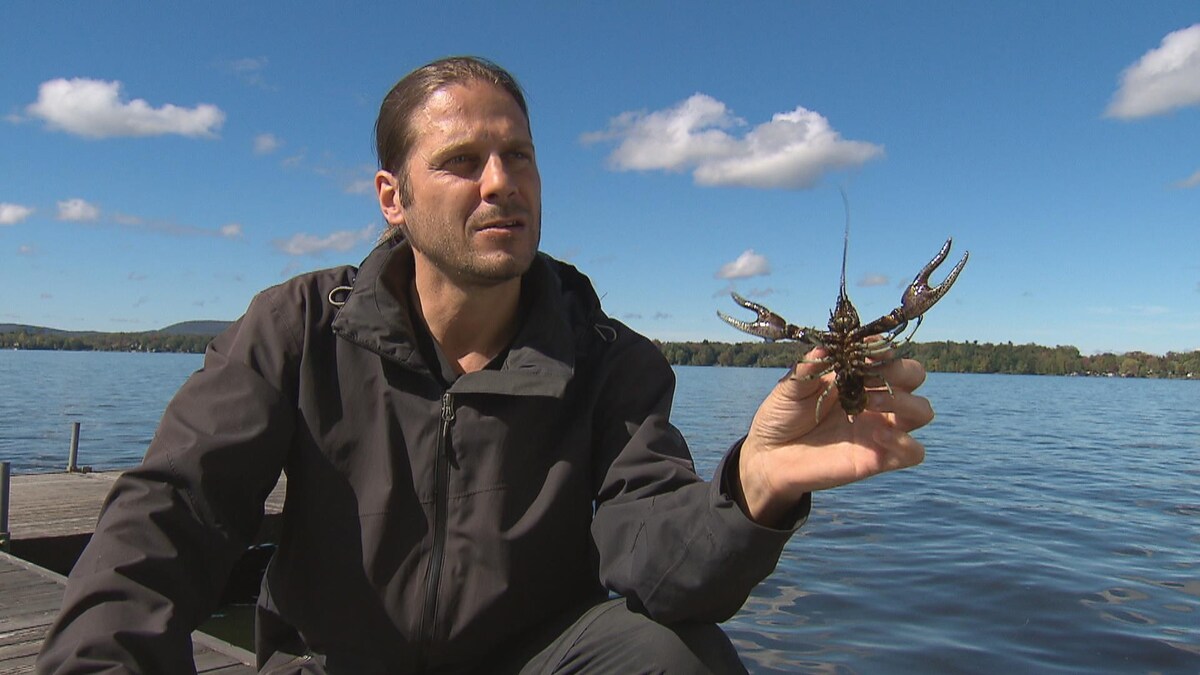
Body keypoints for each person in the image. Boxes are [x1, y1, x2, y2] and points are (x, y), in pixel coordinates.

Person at [37, 56, 933, 674]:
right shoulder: (297, 327)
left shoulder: (610, 357)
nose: (501, 181)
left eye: (520, 156)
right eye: (462, 161)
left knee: (676, 654)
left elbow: (654, 563)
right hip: (336, 658)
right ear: (393, 196)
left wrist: (755, 488)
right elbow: (170, 513)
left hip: (532, 655)